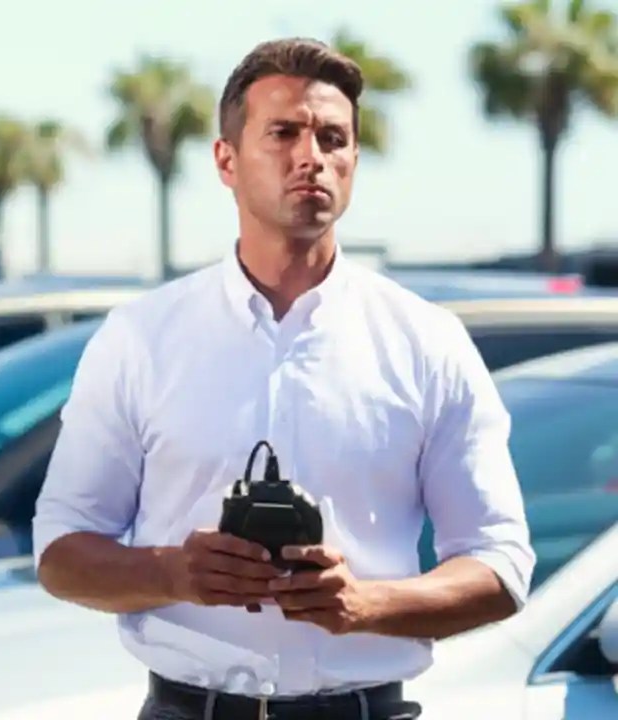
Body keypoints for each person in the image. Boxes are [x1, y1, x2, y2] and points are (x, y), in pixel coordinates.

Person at [32, 37, 534, 720]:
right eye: (284, 133)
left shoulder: (425, 342)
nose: (312, 157)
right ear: (225, 160)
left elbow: (500, 564)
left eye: (333, 138)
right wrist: (172, 572)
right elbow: (62, 550)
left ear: (354, 161)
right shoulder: (141, 337)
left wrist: (365, 604)